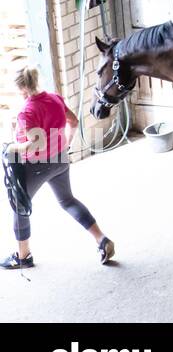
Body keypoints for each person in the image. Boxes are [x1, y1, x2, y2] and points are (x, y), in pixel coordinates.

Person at [2, 66, 113, 268]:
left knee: (20, 207)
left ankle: (23, 256)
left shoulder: (26, 111)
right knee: (68, 200)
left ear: (22, 89)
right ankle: (101, 239)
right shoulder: (55, 98)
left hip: (36, 165)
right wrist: (65, 144)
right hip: (60, 160)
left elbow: (35, 144)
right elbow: (73, 121)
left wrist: (11, 147)